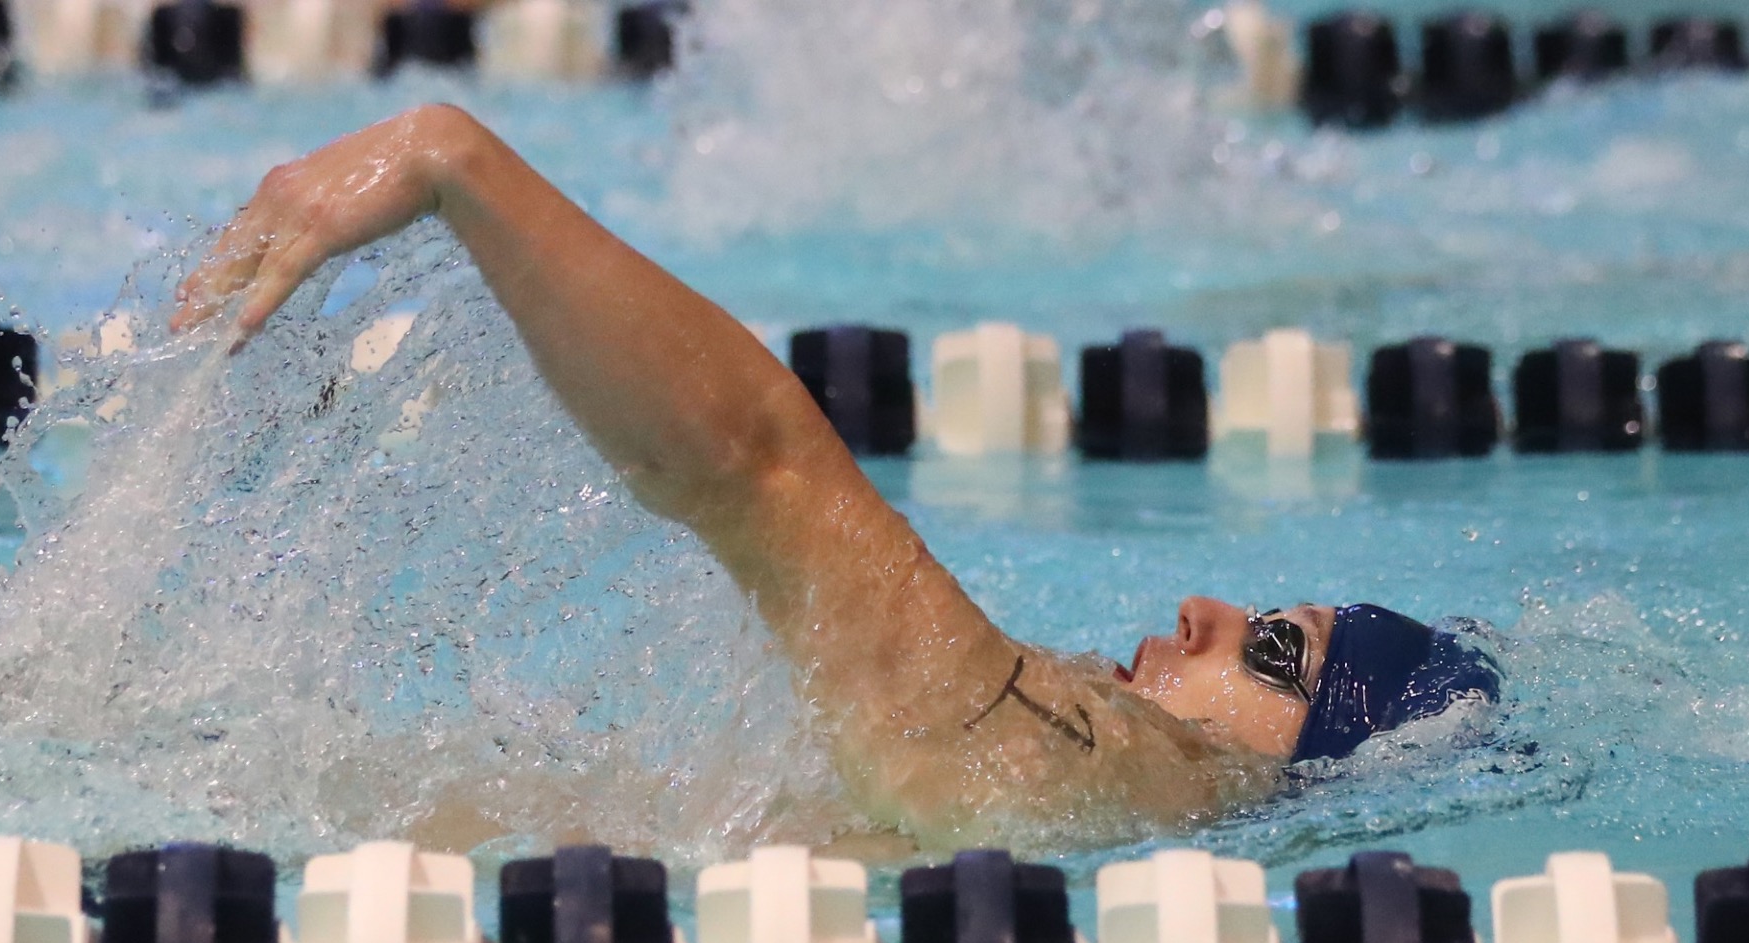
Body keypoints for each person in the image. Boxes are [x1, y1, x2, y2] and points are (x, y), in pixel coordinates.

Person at [172, 105, 1497, 849]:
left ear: (1325, 769)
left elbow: (760, 476)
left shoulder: (1112, 778)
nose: (1207, 609)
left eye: (1276, 649)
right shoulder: (1087, 768)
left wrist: (457, 166)